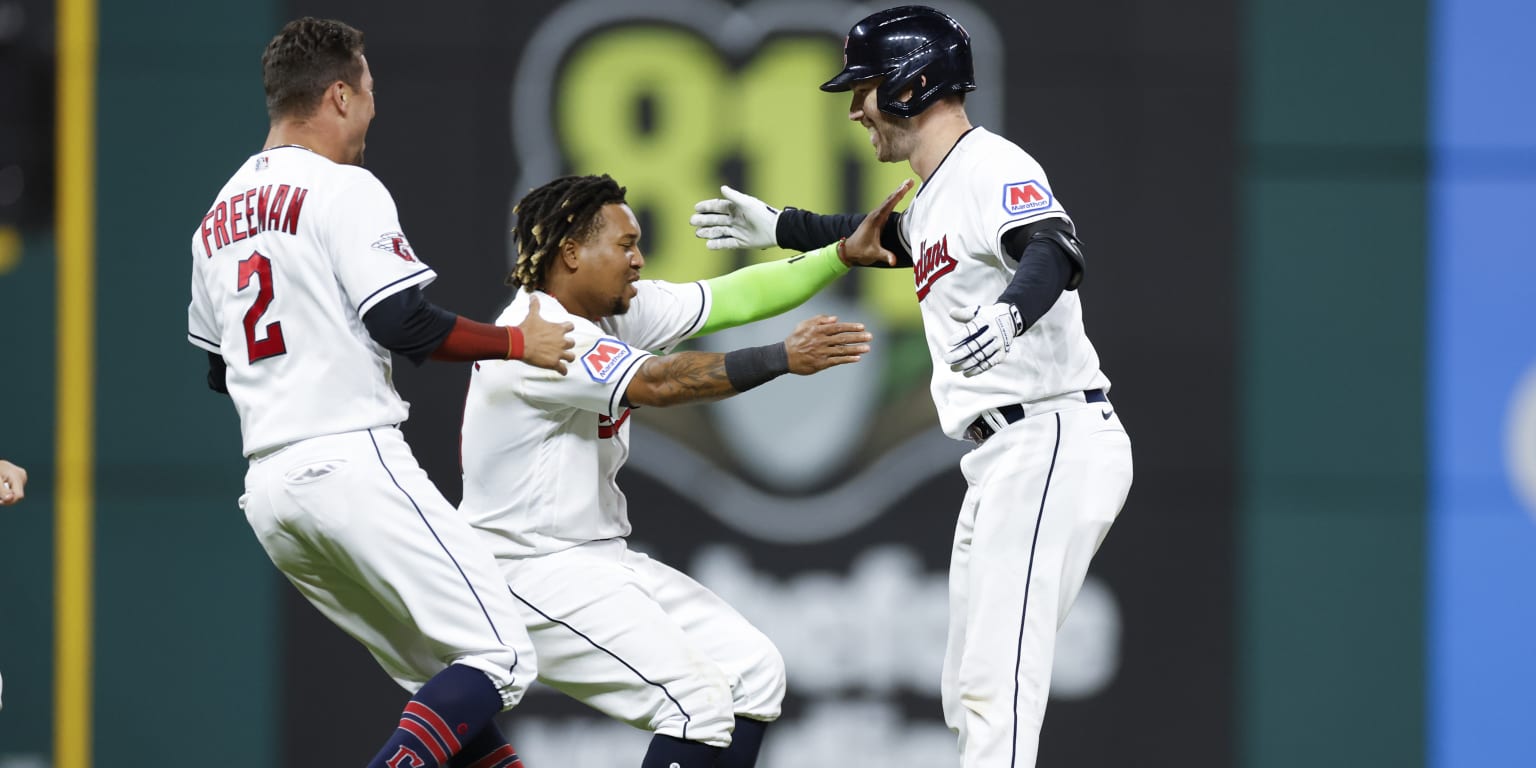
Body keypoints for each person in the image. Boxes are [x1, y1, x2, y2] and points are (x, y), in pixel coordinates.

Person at [688, 6, 1135, 767]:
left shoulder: (993, 164)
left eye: (864, 86)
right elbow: (877, 236)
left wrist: (1009, 315)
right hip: (1007, 450)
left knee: (999, 681)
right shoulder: (936, 192)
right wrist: (784, 226)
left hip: (1051, 435)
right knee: (968, 686)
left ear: (910, 80)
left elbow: (1052, 250)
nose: (857, 107)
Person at [185, 18, 575, 768]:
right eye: (366, 92)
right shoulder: (341, 186)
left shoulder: (214, 221)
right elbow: (404, 320)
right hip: (348, 458)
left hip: (271, 492)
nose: (371, 109)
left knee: (448, 683)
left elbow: (217, 366)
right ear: (337, 94)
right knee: (502, 655)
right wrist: (518, 342)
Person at [459, 173, 909, 768]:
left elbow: (733, 297)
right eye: (625, 245)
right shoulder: (544, 333)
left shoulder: (615, 312)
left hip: (593, 558)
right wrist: (782, 357)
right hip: (525, 570)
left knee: (754, 671)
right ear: (571, 253)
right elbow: (660, 382)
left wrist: (840, 255)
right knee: (696, 703)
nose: (639, 260)